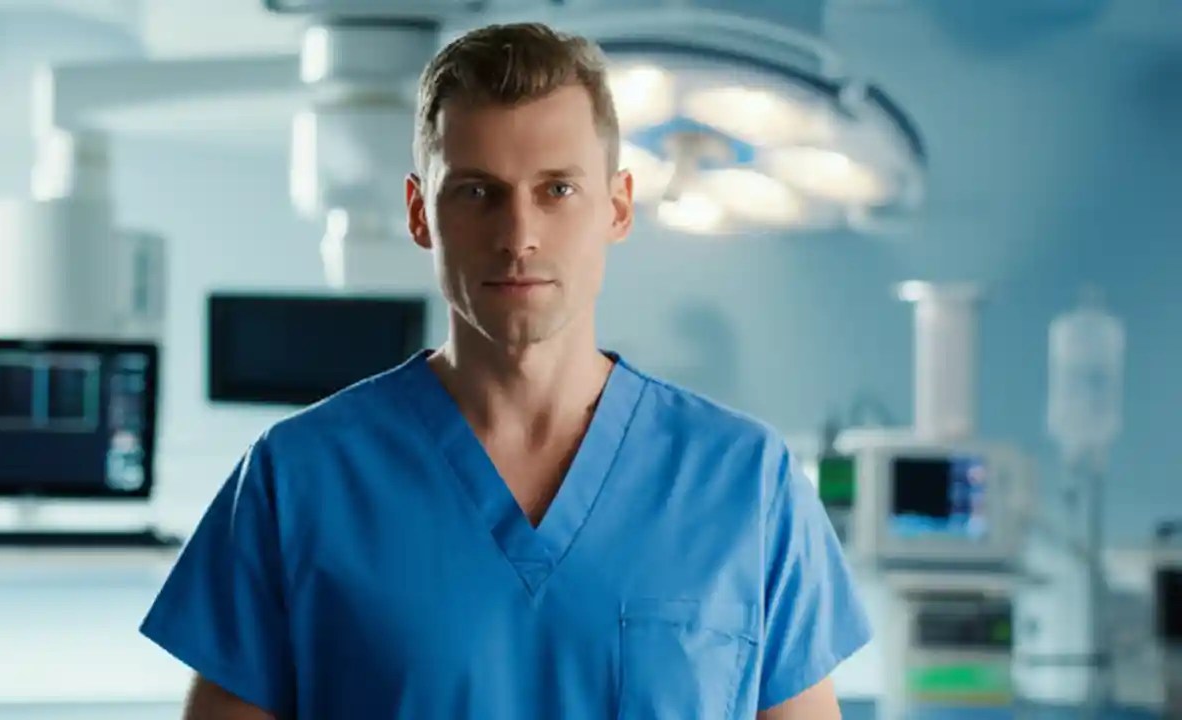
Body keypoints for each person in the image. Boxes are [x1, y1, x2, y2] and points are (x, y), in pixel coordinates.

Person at [140, 21, 870, 720]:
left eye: (557, 189)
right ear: (421, 212)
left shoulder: (743, 483)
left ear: (616, 207)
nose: (518, 236)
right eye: (478, 192)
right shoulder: (298, 481)